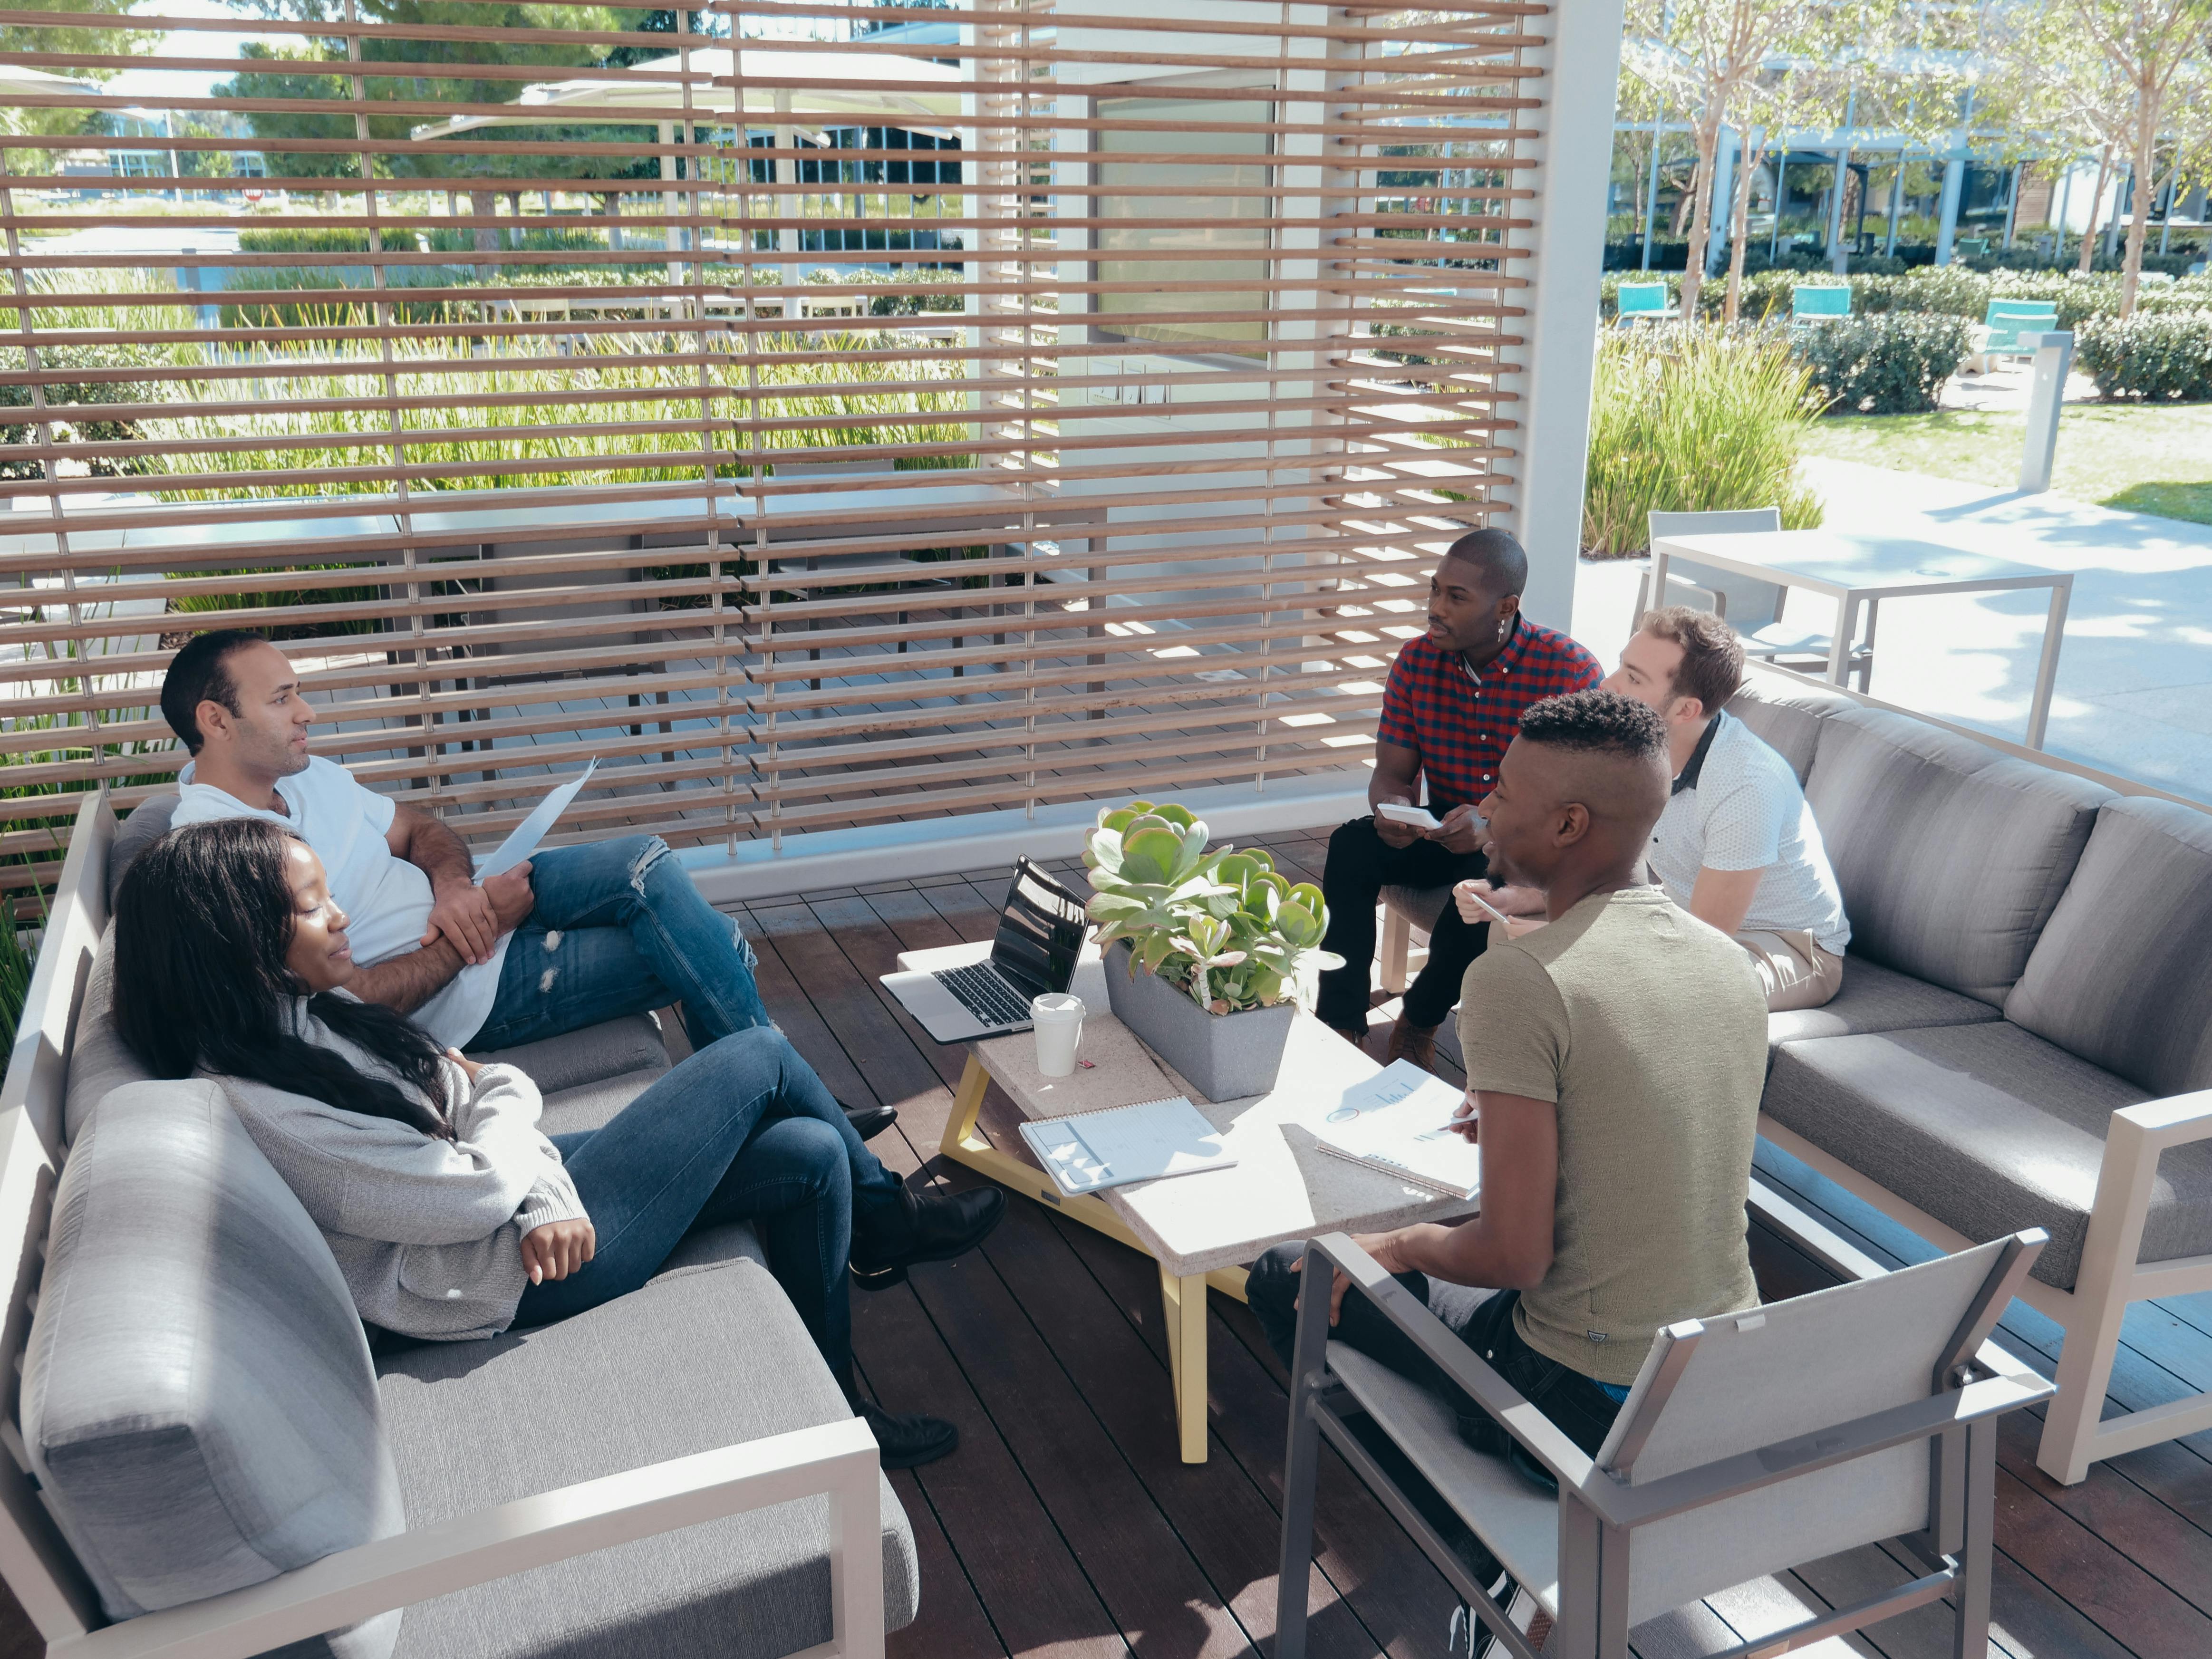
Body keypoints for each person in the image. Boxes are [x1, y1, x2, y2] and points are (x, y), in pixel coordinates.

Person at [110, 818, 1004, 1468]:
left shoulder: (305, 1017)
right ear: (239, 944)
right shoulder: (263, 1104)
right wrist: (510, 1154)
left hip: (524, 1221)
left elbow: (475, 1089)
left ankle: (840, 1423)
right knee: (758, 1056)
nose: (340, 917)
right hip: (501, 1279)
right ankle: (885, 1229)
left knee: (809, 1154)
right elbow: (465, 1181)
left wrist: (537, 1181)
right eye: (313, 910)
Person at [1249, 691, 1769, 1646]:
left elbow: (1513, 1254)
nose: (1482, 805)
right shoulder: (1724, 961)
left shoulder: (1519, 982)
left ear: (1569, 823)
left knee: (1290, 1277)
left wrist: (1390, 1243)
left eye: (1502, 789)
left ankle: (1478, 1550)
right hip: (1717, 1381)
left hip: (1582, 1405)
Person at [156, 627, 896, 1141]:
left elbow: (421, 829)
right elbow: (335, 1013)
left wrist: (454, 889)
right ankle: (810, 1122)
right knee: (713, 948)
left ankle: (796, 1113)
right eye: (282, 698)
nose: (307, 711)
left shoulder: (300, 773)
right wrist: (480, 930)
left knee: (645, 860)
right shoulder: (219, 856)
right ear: (216, 721)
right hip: (465, 992)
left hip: (474, 917)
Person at [1461, 607, 1850, 1012]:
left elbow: (1700, 946)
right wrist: (1519, 899)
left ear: (1685, 711)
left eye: (1633, 678)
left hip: (1784, 944)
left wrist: (1575, 943)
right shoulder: (1634, 754)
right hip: (1679, 908)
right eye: (1621, 667)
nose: (1606, 686)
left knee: (1652, 989)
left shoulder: (1745, 786)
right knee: (1509, 936)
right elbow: (1601, 868)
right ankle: (1506, 1075)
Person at [1315, 528, 1601, 1069]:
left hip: (1522, 845)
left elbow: (1576, 799)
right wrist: (1391, 810)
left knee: (1481, 891)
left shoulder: (1568, 671)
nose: (1436, 609)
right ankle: (1341, 1022)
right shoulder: (1417, 662)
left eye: (1456, 597)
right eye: (1435, 591)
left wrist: (1494, 827)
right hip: (1440, 827)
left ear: (1507, 607)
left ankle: (1419, 1020)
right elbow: (1390, 773)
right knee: (1350, 846)